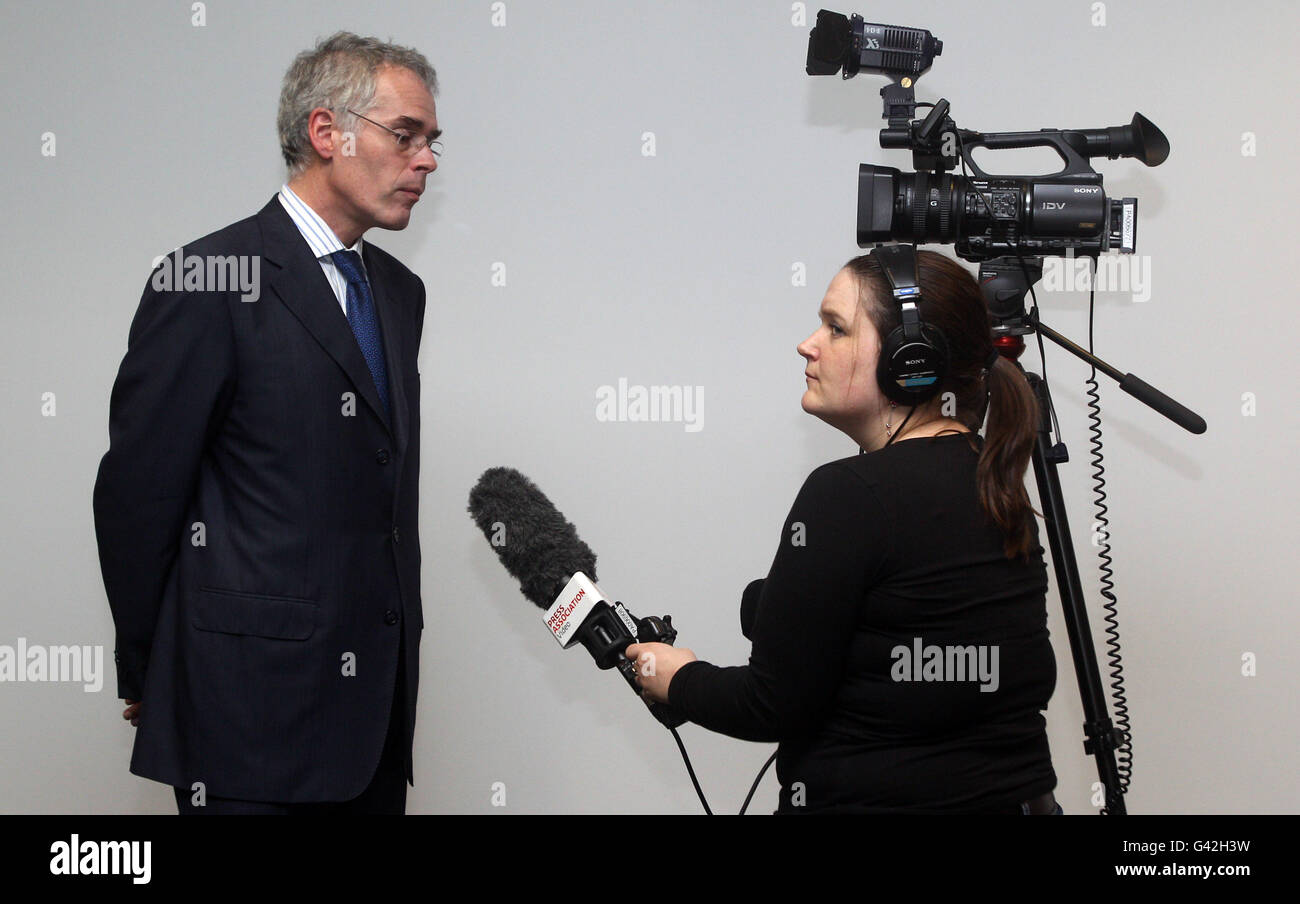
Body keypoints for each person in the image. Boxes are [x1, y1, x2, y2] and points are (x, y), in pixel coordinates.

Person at [92, 33, 439, 814]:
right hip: (243, 720)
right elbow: (137, 499)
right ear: (327, 133)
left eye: (432, 141)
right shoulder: (207, 279)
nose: (427, 161)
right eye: (405, 135)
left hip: (375, 721)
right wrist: (155, 670)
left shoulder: (400, 292)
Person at [627, 248, 1063, 814]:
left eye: (836, 328)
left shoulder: (848, 493)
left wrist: (676, 677)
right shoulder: (994, 478)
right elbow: (908, 633)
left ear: (911, 359)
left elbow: (769, 705)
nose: (808, 344)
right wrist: (770, 609)